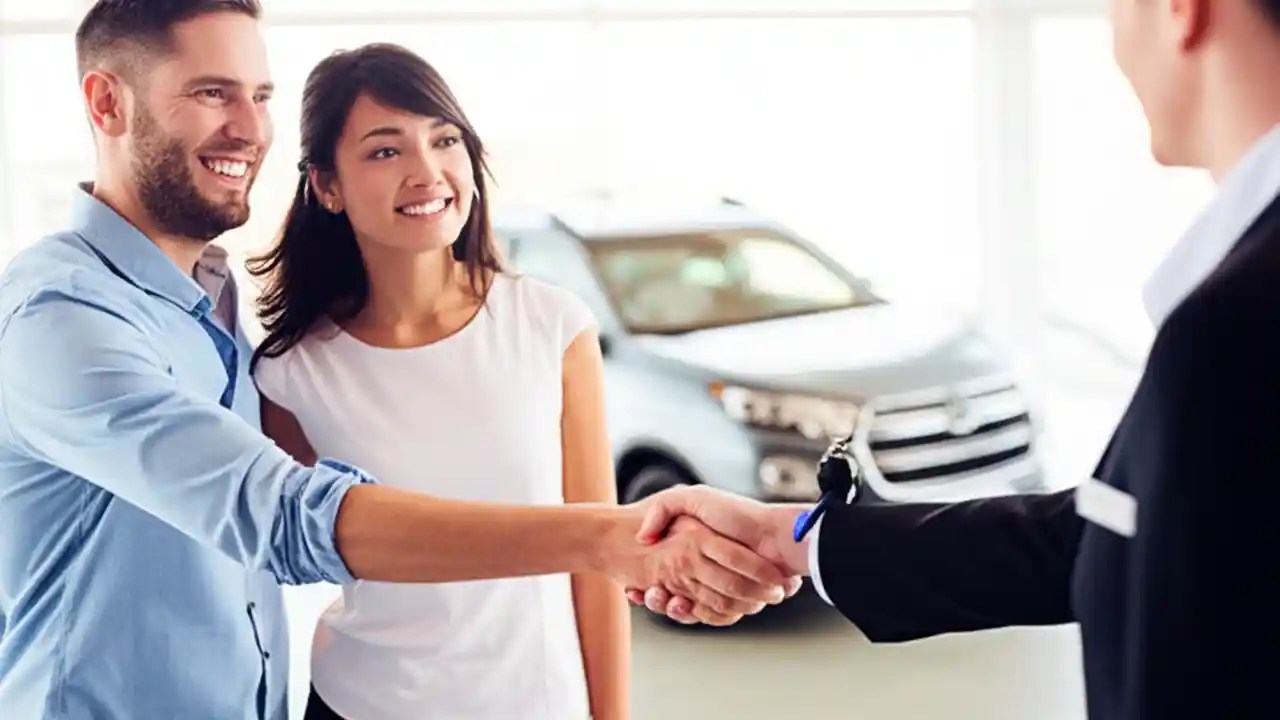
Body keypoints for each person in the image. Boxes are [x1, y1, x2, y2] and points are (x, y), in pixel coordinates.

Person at [0, 2, 798, 718]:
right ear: (108, 103)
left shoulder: (215, 301)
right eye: (213, 93)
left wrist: (650, 561)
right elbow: (281, 515)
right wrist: (619, 538)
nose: (249, 127)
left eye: (261, 96)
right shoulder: (62, 320)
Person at [634, 1, 1280, 718]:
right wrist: (791, 539)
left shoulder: (1234, 322)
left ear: (1183, 12)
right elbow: (1102, 538)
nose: (1115, 41)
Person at [245, 43, 629, 720]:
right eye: (385, 151)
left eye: (444, 139)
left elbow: (598, 557)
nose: (428, 172)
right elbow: (271, 547)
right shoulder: (290, 372)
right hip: (359, 702)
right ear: (326, 186)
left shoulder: (550, 326)